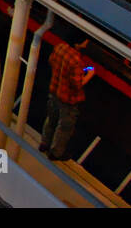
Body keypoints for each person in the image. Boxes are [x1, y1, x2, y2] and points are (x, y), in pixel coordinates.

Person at [39, 33, 94, 161]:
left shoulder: (60, 47)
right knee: (64, 127)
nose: (86, 43)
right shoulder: (76, 60)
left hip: (54, 91)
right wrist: (89, 74)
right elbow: (77, 84)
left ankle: (44, 143)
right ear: (78, 44)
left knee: (51, 119)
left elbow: (51, 61)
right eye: (84, 41)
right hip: (68, 99)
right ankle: (56, 152)